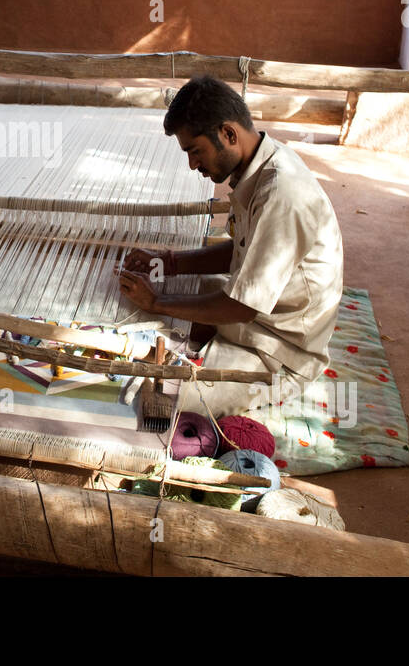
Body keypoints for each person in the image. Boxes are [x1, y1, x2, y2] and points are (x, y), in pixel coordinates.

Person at [117, 74, 343, 418]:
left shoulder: (281, 194)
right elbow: (240, 250)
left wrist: (159, 302)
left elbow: (241, 306)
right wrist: (170, 262)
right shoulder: (257, 166)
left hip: (280, 347)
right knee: (150, 300)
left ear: (228, 134)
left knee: (156, 402)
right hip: (257, 318)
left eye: (195, 151)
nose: (192, 165)